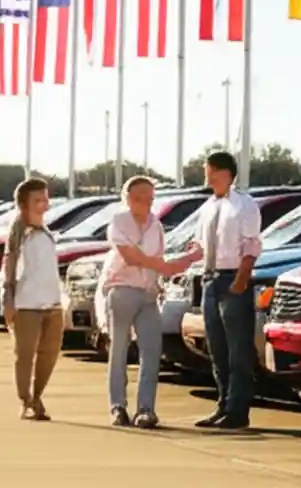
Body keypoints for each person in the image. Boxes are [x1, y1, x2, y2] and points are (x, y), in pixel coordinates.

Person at [99, 176, 201, 428]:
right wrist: (166, 266)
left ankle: (146, 409)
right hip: (122, 289)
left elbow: (160, 259)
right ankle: (118, 406)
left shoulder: (156, 225)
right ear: (127, 199)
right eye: (139, 198)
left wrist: (189, 258)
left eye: (150, 198)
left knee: (152, 350)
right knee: (120, 349)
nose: (145, 203)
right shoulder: (119, 222)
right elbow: (131, 256)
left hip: (147, 294)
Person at [190, 151, 262, 429]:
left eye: (209, 170)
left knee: (238, 350)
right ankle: (223, 404)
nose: (206, 175)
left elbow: (251, 245)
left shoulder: (243, 205)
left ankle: (238, 409)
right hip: (209, 279)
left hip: (233, 279)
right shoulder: (208, 206)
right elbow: (199, 243)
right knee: (217, 347)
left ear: (223, 172)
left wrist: (242, 278)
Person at [0, 177, 64, 421]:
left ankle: (37, 396)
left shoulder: (46, 234)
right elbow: (9, 269)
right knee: (25, 355)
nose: (44, 203)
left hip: (52, 303)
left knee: (49, 354)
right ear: (24, 204)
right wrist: (7, 299)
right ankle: (25, 400)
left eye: (45, 198)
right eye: (38, 200)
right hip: (26, 305)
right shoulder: (19, 234)